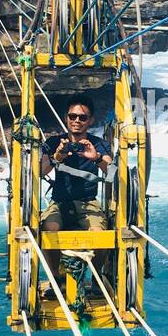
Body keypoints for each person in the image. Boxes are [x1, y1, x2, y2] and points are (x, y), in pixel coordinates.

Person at [40, 96, 112, 285]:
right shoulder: (54, 142)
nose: (77, 121)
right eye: (73, 116)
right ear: (66, 118)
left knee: (100, 236)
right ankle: (57, 277)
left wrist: (96, 158)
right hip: (60, 202)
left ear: (91, 120)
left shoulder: (98, 144)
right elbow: (40, 170)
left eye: (82, 117)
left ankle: (96, 278)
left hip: (88, 202)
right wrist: (57, 157)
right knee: (49, 228)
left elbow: (112, 171)